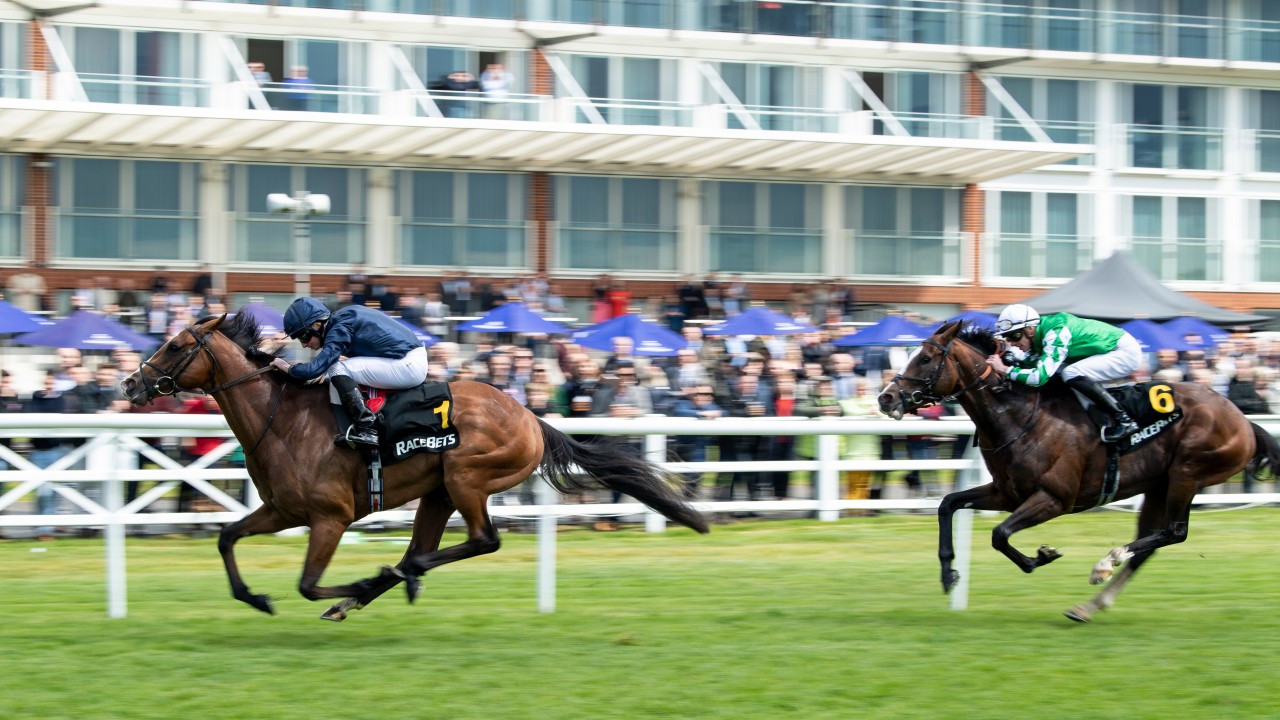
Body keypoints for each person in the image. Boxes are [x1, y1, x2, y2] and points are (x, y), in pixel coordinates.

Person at [273, 297, 429, 449]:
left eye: (304, 336)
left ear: (316, 325)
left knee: (337, 369)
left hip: (409, 364)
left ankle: (367, 429)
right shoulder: (342, 319)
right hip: (407, 360)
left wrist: (287, 368)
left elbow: (314, 369)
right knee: (335, 371)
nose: (304, 344)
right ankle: (344, 429)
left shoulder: (340, 327)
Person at [986, 304, 1142, 443]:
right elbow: (1029, 363)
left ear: (1030, 329)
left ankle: (1123, 419)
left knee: (1071, 372)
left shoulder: (1056, 332)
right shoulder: (1037, 337)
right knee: (1063, 373)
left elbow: (1038, 377)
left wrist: (1004, 369)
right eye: (1008, 337)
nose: (1012, 342)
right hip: (1104, 352)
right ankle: (1093, 418)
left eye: (1015, 336)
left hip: (1124, 352)